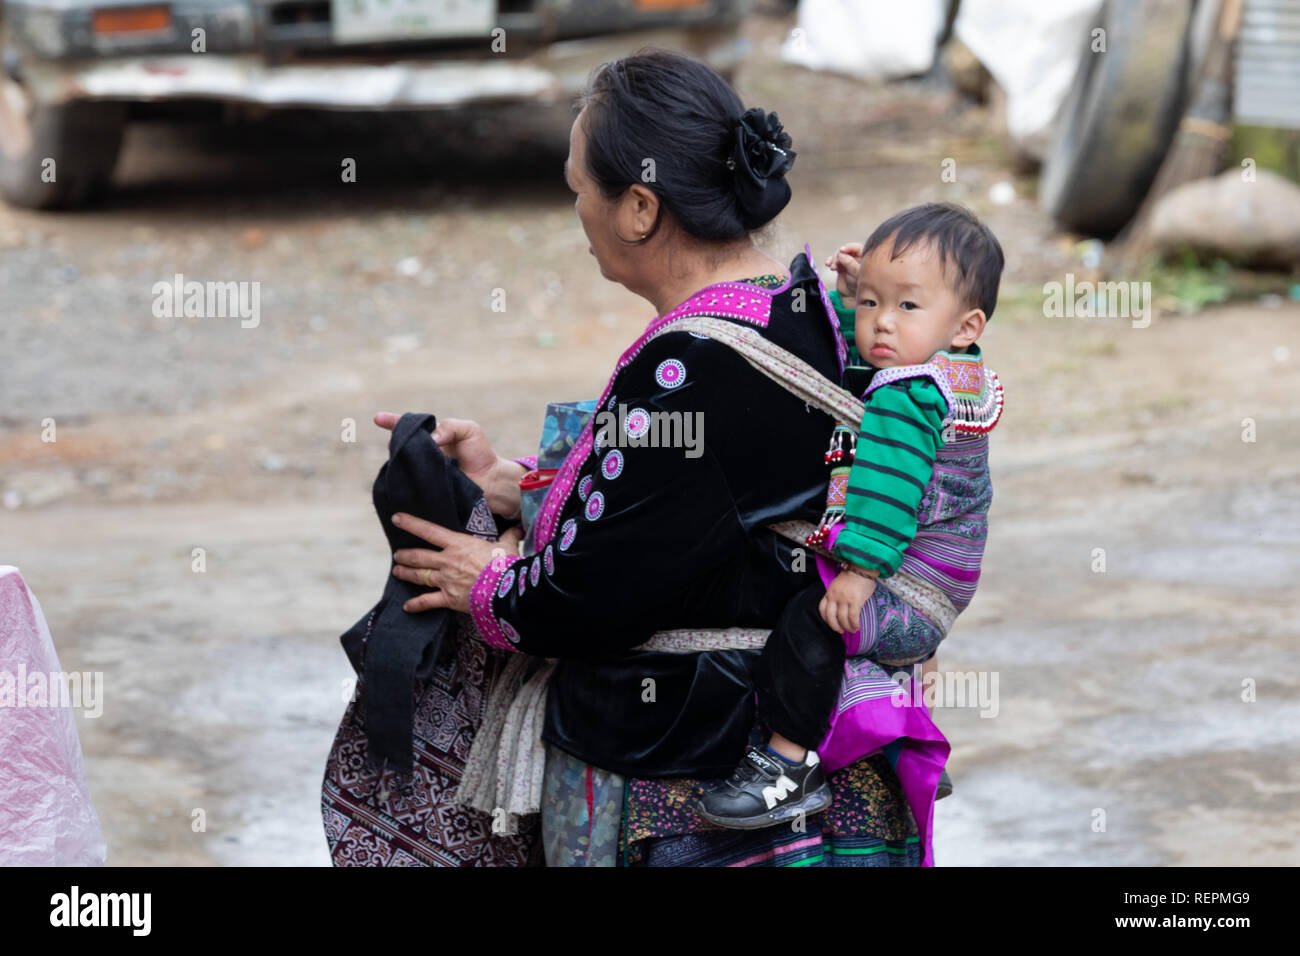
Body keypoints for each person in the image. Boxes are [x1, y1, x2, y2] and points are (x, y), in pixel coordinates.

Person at [381, 50, 927, 866]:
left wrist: (485, 581)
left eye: (578, 191)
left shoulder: (696, 366)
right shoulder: (801, 307)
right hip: (803, 763)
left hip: (692, 778)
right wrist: (514, 487)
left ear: (639, 208)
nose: (578, 213)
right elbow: (696, 506)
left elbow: (590, 593)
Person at [697, 204, 1005, 848]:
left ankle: (788, 764)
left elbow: (888, 491)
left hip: (905, 588)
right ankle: (893, 740)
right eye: (870, 304)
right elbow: (858, 353)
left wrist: (861, 575)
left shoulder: (906, 396)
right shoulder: (956, 373)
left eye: (906, 307)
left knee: (808, 622)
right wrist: (844, 298)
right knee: (834, 625)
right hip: (937, 586)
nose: (881, 324)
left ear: (965, 323)